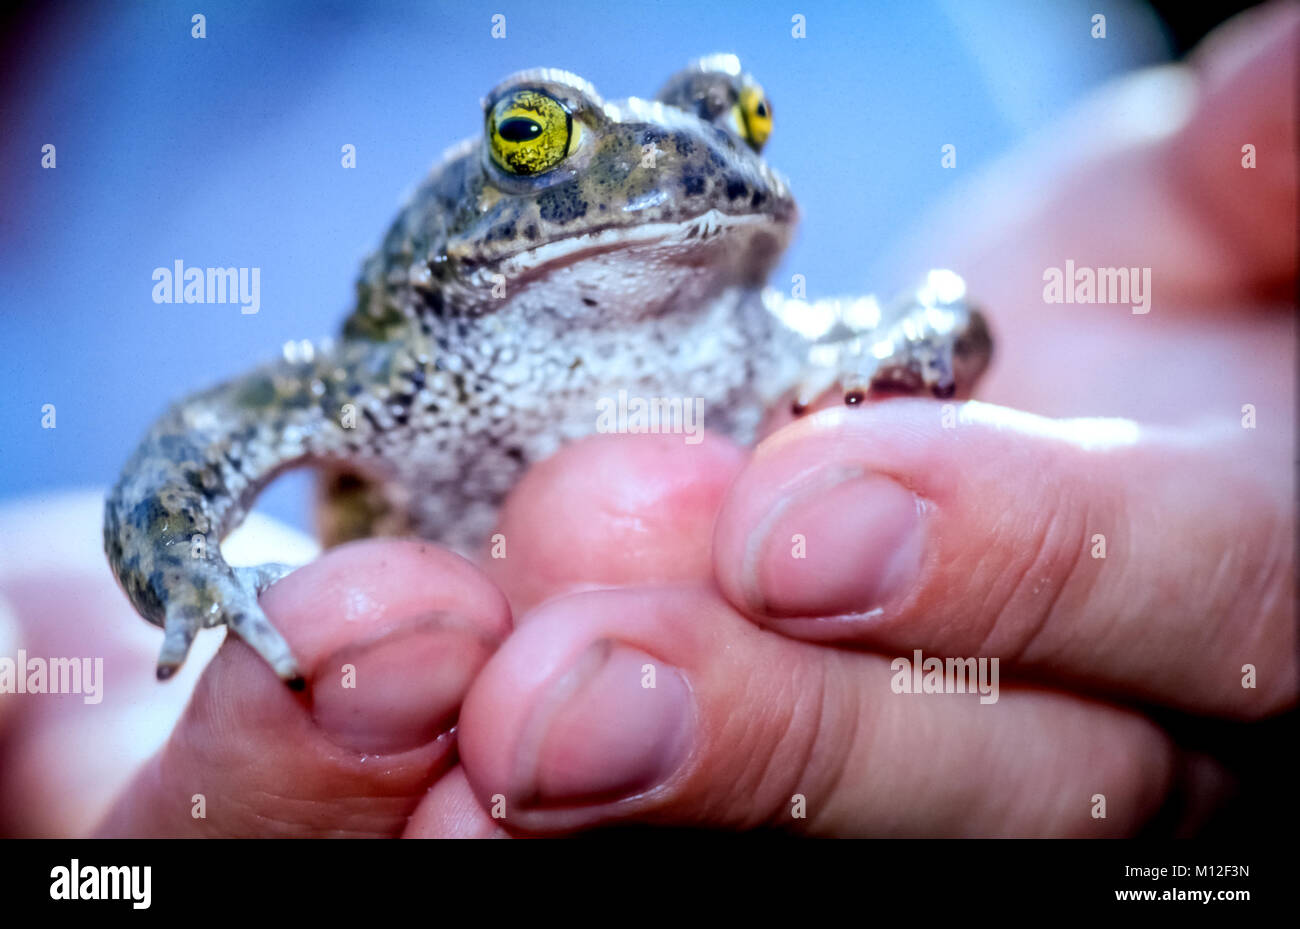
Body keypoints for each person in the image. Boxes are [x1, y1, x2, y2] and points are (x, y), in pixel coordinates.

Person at [0, 2, 1293, 838]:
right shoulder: (392, 362)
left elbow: (946, 312)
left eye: (741, 124)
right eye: (532, 134)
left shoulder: (779, 299)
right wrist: (185, 576)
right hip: (407, 638)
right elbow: (207, 431)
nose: (682, 152)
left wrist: (916, 375)